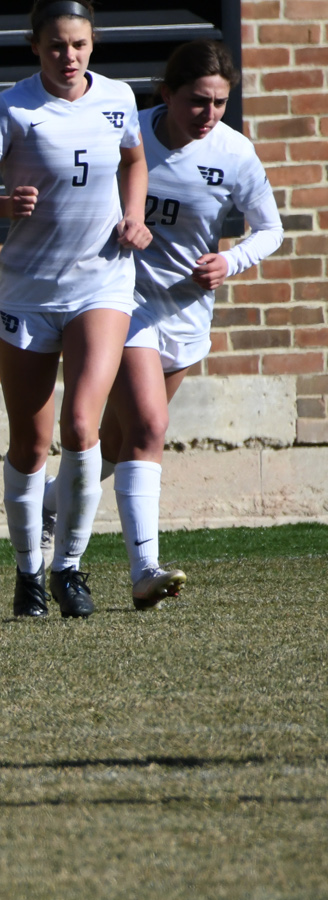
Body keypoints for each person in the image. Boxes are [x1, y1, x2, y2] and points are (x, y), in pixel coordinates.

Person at [0, 0, 151, 618]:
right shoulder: (10, 109)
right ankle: (28, 574)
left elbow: (134, 160)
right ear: (35, 47)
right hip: (29, 293)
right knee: (31, 443)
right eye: (57, 45)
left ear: (93, 45)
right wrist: (3, 204)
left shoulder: (117, 97)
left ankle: (69, 568)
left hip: (103, 282)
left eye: (80, 45)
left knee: (82, 425)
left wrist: (135, 216)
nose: (69, 56)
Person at [74, 40, 280, 610]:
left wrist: (230, 260)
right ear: (166, 94)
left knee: (120, 441)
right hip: (122, 299)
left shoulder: (235, 153)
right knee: (151, 424)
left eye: (219, 103)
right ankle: (144, 571)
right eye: (197, 101)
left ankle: (47, 508)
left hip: (186, 311)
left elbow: (270, 229)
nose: (209, 114)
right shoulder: (129, 134)